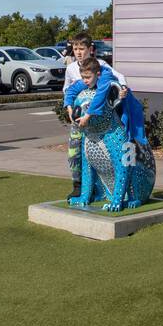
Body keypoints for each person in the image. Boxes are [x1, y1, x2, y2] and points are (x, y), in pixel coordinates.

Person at [61, 32, 128, 200]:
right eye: (75, 49)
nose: (78, 52)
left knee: (108, 152)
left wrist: (123, 88)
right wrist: (69, 106)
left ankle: (112, 189)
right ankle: (79, 187)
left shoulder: (101, 66)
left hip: (101, 119)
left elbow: (112, 83)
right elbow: (67, 89)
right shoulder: (71, 69)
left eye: (81, 49)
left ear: (90, 49)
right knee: (75, 152)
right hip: (79, 119)